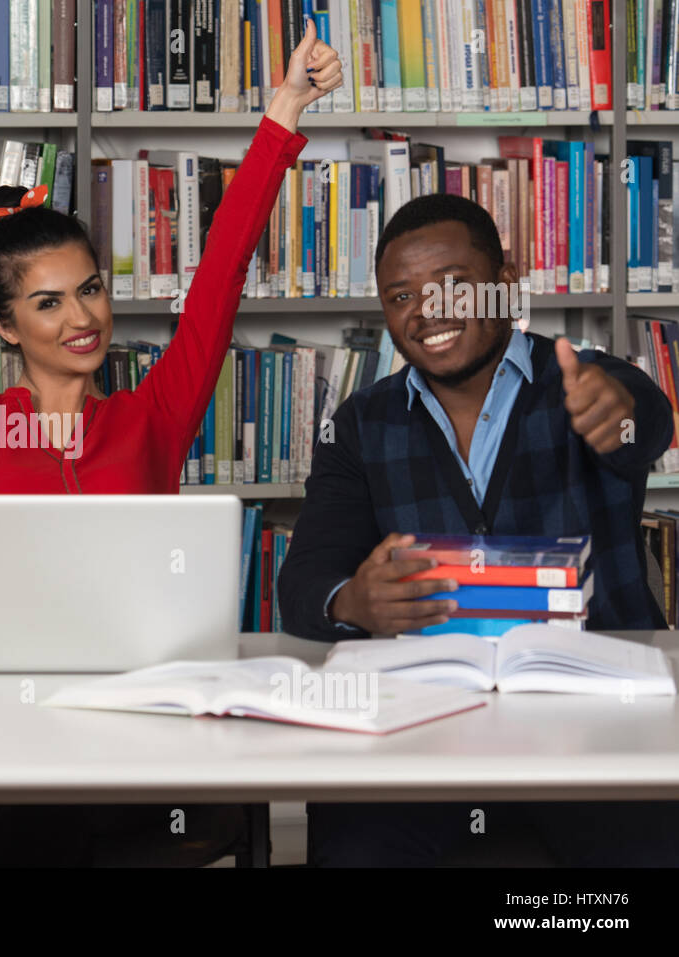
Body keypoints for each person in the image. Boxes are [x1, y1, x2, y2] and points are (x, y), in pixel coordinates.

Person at [0, 20, 342, 865]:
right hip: (2, 725)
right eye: (48, 304)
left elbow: (220, 276)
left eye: (88, 290)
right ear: (5, 326)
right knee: (12, 819)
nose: (81, 318)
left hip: (138, 724)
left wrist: (283, 113)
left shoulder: (151, 415)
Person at [277, 191, 679, 866]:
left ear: (504, 284)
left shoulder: (584, 378)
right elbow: (305, 581)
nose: (426, 312)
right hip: (425, 729)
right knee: (352, 848)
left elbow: (646, 417)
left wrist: (625, 416)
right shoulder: (359, 423)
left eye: (453, 286)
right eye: (401, 295)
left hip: (597, 724)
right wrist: (352, 601)